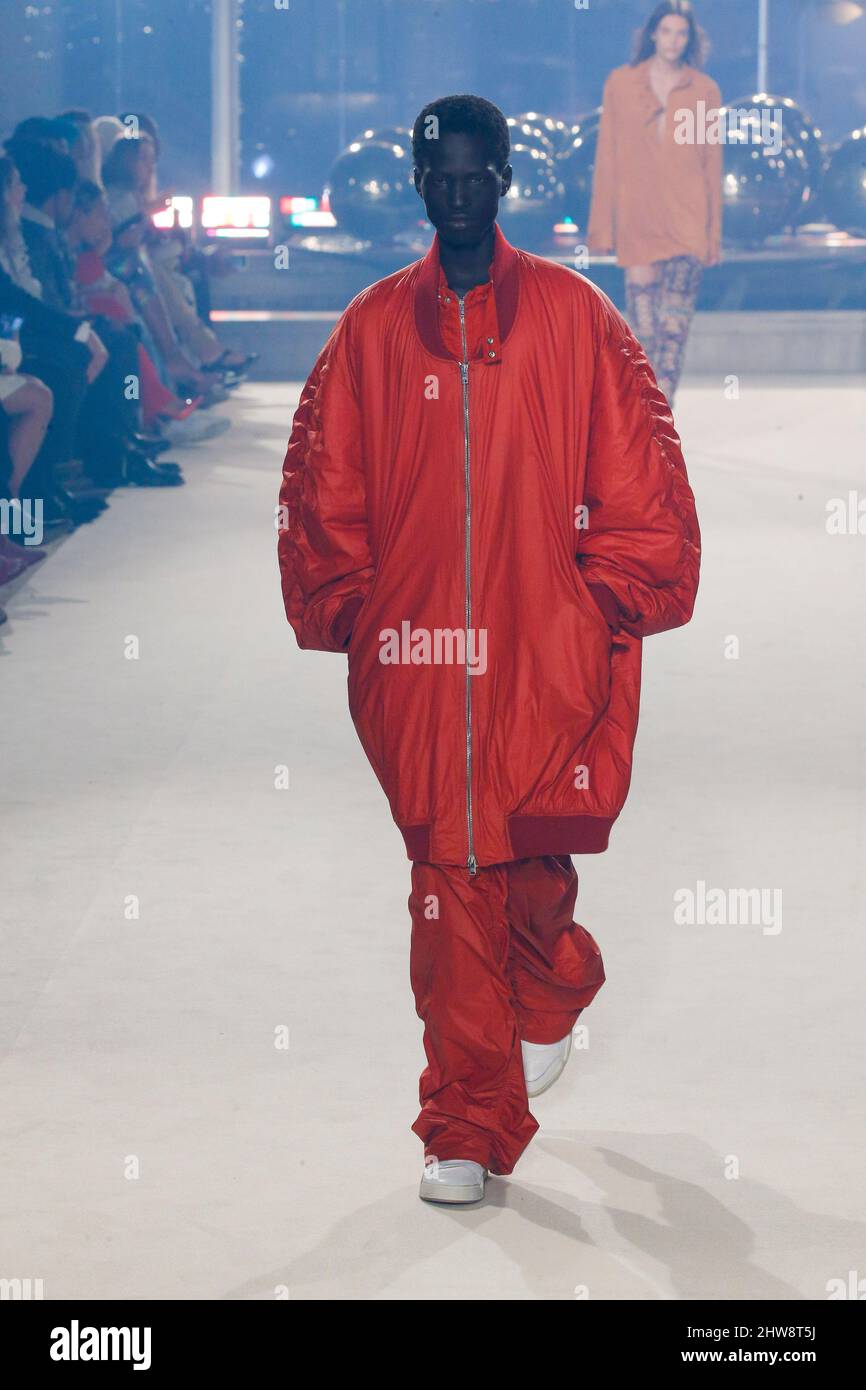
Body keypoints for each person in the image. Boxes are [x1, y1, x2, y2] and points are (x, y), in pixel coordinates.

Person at [277, 94, 701, 1206]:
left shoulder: (574, 317)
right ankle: (461, 1119)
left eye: (476, 175)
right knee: (447, 874)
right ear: (420, 183)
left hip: (540, 646)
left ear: (504, 178)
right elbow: (327, 484)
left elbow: (639, 477)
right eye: (440, 176)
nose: (458, 193)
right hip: (419, 660)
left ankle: (550, 983)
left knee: (527, 860)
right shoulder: (370, 330)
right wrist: (357, 611)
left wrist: (595, 604)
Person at [587, 0, 722, 404]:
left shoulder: (704, 90)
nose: (673, 40)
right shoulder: (621, 83)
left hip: (688, 218)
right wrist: (600, 229)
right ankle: (648, 413)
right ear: (652, 34)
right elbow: (607, 156)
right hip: (639, 218)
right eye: (666, 31)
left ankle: (664, 414)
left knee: (674, 328)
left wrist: (713, 236)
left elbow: (711, 163)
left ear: (690, 39)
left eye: (681, 33)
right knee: (642, 332)